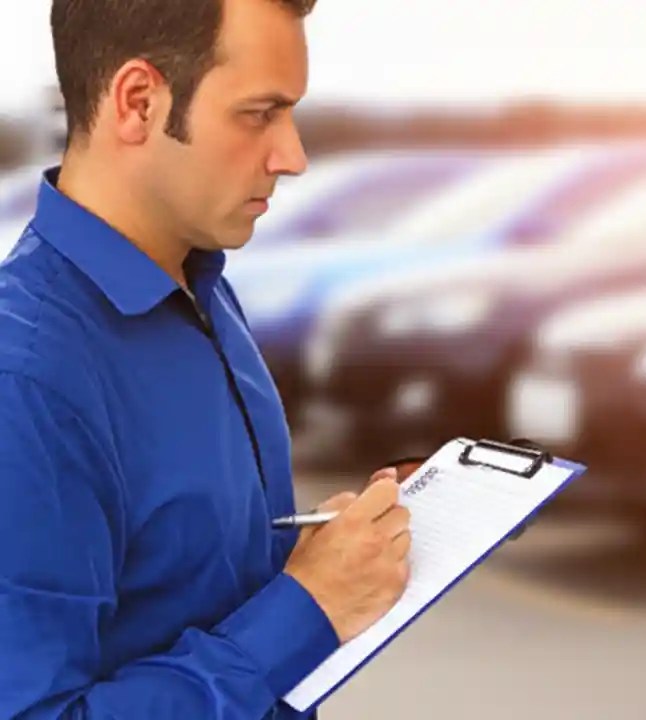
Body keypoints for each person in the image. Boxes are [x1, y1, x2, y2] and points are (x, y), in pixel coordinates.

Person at [0, 0, 413, 717]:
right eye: (259, 114)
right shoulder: (28, 380)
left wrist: (329, 553)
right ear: (138, 102)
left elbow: (188, 581)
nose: (293, 156)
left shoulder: (200, 289)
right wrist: (305, 609)